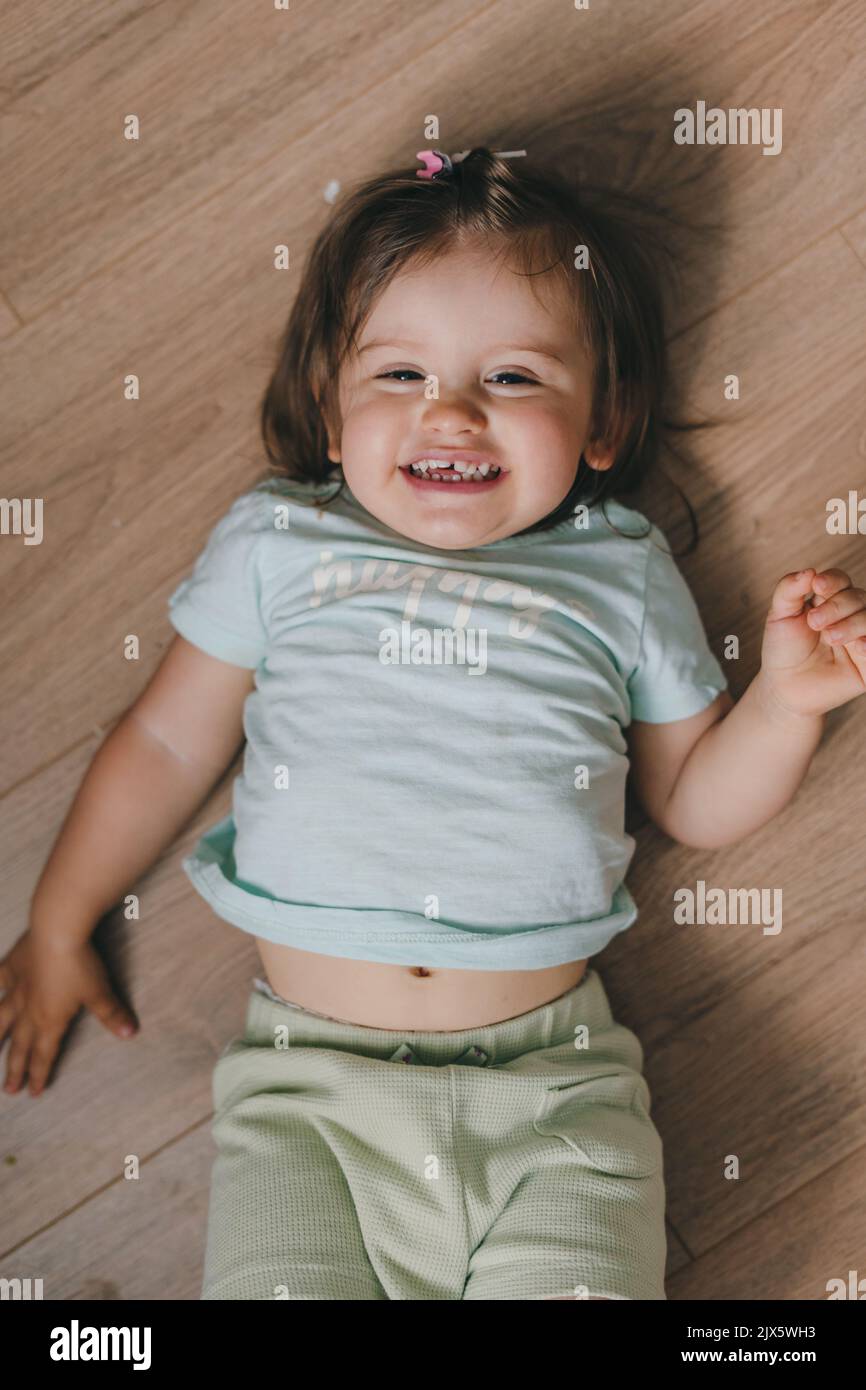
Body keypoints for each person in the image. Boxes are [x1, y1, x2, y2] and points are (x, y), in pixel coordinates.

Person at [4, 148, 864, 1301]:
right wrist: (58, 923)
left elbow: (692, 800)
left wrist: (784, 700)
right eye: (398, 372)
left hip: (555, 1099)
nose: (448, 410)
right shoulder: (279, 545)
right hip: (306, 1104)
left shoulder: (616, 571)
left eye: (511, 378)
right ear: (330, 409)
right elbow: (164, 743)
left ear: (601, 423)